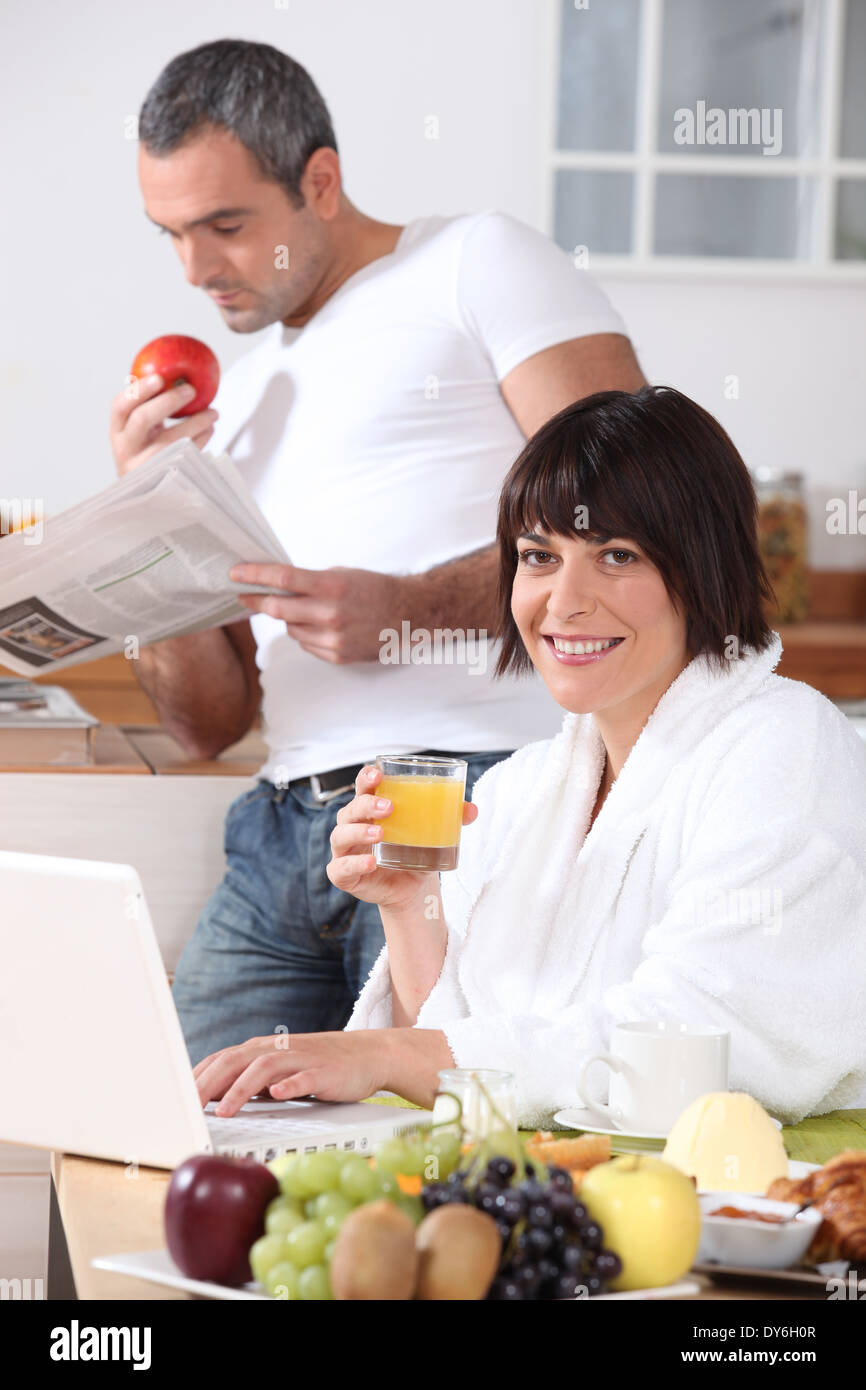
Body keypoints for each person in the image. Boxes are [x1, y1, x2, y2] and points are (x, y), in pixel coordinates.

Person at [108, 39, 645, 1063]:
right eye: (170, 234)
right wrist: (149, 518)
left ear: (319, 179)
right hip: (276, 832)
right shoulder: (245, 399)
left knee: (432, 1153)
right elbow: (207, 721)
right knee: (174, 1149)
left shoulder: (472, 261)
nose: (195, 268)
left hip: (458, 798)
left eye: (225, 225)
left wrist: (405, 604)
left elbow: (627, 513)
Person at [192, 386, 866, 1128]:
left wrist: (384, 1055)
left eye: (617, 556)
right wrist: (409, 904)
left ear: (707, 569)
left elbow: (697, 1039)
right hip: (555, 1195)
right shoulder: (523, 789)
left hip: (752, 1210)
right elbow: (463, 1052)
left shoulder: (785, 748)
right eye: (538, 557)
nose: (563, 600)